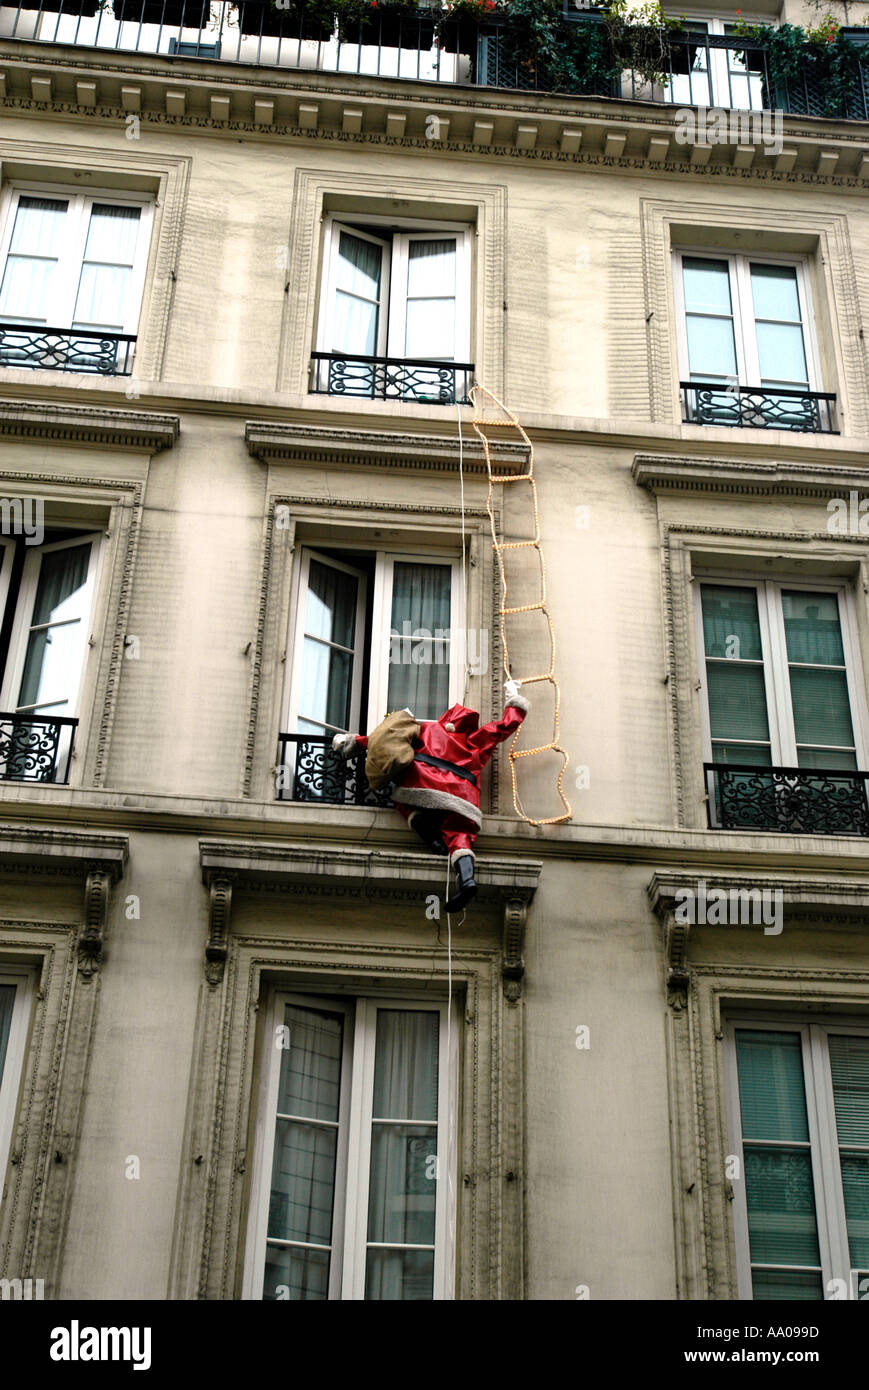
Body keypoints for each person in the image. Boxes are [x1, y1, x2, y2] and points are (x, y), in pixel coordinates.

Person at [332, 678, 529, 913]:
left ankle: (424, 827)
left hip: (423, 783)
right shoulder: (475, 741)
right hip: (461, 796)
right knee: (460, 837)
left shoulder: (426, 729)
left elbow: (388, 739)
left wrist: (353, 741)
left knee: (403, 798)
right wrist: (513, 697)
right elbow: (504, 727)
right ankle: (467, 880)